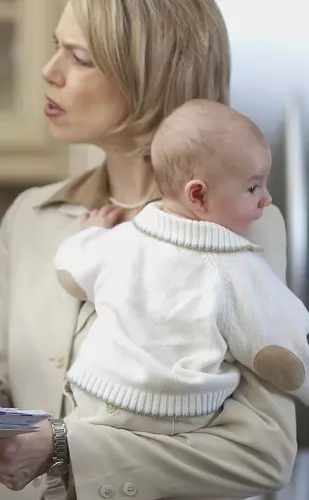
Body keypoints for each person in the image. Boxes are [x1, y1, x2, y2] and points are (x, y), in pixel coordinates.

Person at [0, 1, 298, 499]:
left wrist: (65, 448)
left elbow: (263, 455)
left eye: (79, 58)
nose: (48, 70)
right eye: (56, 47)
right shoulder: (31, 217)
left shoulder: (239, 227)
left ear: (151, 78)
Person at [52, 98, 309, 441]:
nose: (266, 199)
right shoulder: (237, 265)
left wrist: (90, 233)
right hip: (178, 413)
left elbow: (71, 269)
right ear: (198, 195)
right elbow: (285, 334)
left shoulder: (125, 239)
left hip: (96, 398)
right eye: (253, 187)